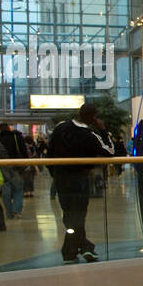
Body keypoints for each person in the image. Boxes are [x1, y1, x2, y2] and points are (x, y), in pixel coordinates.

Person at [48, 103, 113, 263]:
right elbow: (110, 152)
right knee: (77, 217)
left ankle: (80, 248)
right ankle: (79, 249)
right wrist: (103, 130)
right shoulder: (90, 135)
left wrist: (54, 174)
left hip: (61, 179)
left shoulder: (60, 127)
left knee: (70, 217)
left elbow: (49, 153)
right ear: (93, 117)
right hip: (79, 180)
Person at [0, 122, 29, 219]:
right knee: (18, 189)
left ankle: (9, 213)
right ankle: (16, 209)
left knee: (6, 191)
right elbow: (23, 151)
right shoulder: (16, 137)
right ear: (9, 128)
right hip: (16, 166)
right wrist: (27, 163)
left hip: (3, 166)